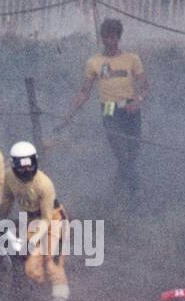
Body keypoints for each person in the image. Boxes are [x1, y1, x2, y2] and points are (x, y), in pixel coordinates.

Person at [59, 18, 147, 189]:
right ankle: (136, 196)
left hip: (131, 110)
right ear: (102, 38)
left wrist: (138, 101)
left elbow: (145, 86)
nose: (110, 42)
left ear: (118, 38)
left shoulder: (132, 59)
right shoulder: (94, 62)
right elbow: (85, 92)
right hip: (109, 110)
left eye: (113, 38)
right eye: (106, 38)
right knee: (122, 156)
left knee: (131, 157)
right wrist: (68, 116)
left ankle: (114, 194)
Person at [0, 142, 69, 301]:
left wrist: (31, 241)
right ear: (14, 165)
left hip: (53, 221)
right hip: (32, 220)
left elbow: (47, 219)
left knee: (52, 265)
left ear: (35, 161)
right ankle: (40, 293)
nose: (26, 169)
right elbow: (6, 202)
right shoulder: (9, 177)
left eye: (29, 163)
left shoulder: (44, 184)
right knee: (28, 266)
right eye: (21, 165)